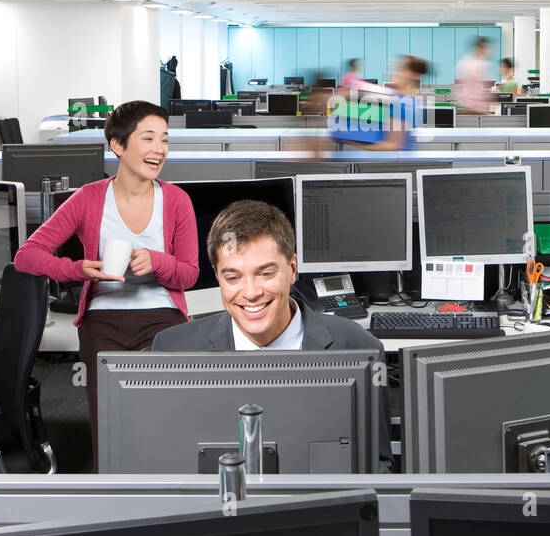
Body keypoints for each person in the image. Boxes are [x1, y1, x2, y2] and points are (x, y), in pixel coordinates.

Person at [152, 199, 392, 471]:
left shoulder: (358, 347)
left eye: (265, 273)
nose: (251, 292)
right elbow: (165, 466)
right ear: (218, 277)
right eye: (233, 278)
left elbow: (378, 467)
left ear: (292, 270)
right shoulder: (173, 350)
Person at [14, 99, 199, 453]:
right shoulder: (88, 198)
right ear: (118, 145)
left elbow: (189, 275)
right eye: (148, 139)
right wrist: (76, 270)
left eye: (164, 139)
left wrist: (157, 262)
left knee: (159, 421)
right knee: (110, 421)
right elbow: (27, 256)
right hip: (104, 319)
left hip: (162, 317)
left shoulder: (177, 201)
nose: (159, 149)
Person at [451, 36, 492, 114]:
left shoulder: (465, 62)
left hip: (468, 107)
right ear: (479, 48)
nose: (488, 51)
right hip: (472, 109)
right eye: (486, 48)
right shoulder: (477, 64)